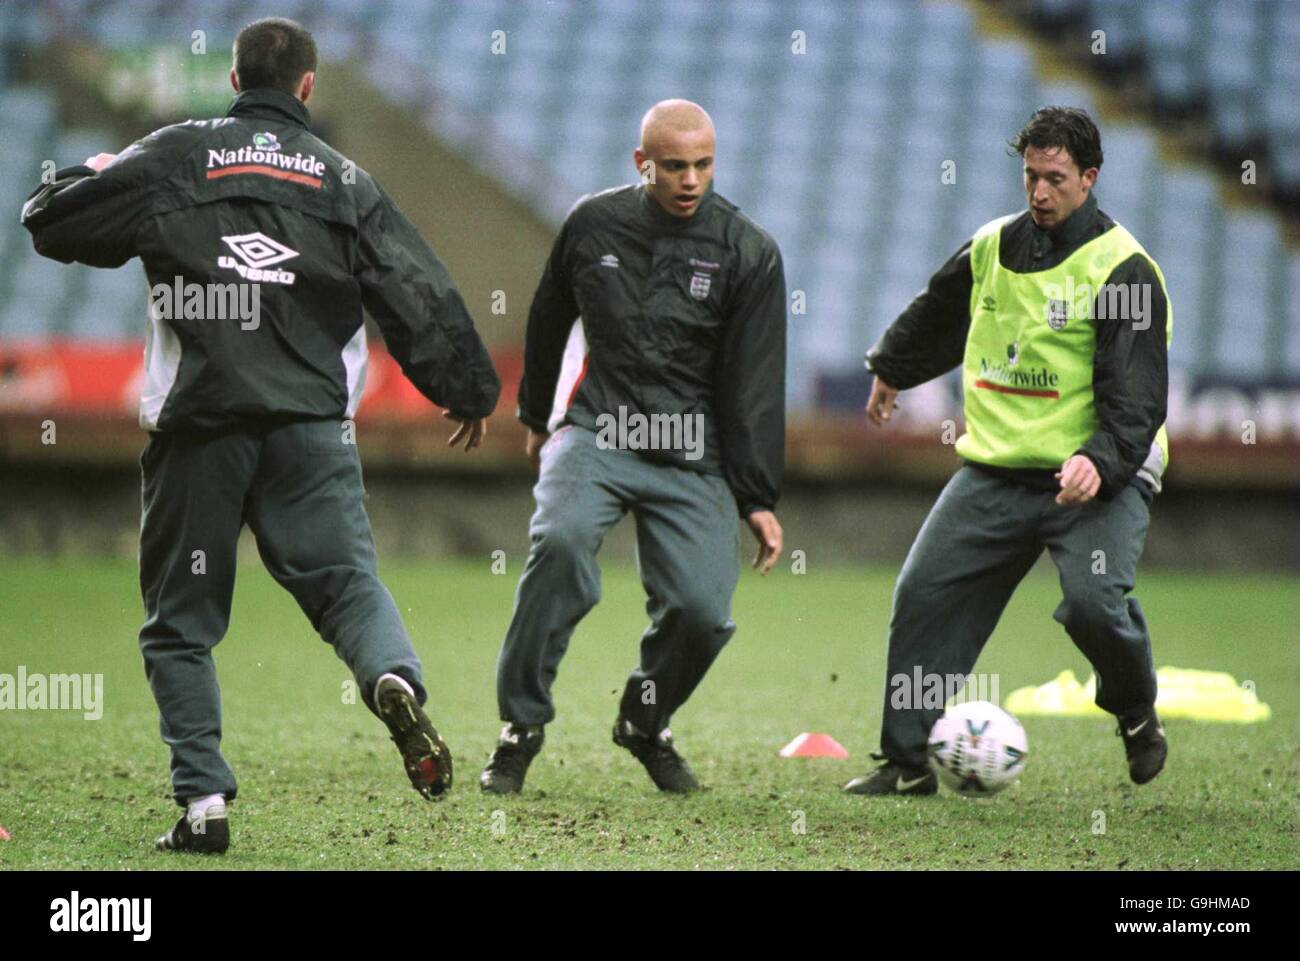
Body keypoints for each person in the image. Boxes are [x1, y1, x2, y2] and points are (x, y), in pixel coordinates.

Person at [21, 18, 500, 852]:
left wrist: (78, 178)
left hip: (201, 426)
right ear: (308, 88)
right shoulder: (347, 181)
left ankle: (204, 805)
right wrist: (466, 386)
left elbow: (57, 225)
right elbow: (413, 286)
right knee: (348, 584)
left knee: (180, 621)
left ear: (235, 81)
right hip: (309, 428)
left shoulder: (176, 152)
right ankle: (390, 675)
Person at [845, 106, 1171, 796]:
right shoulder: (992, 244)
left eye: (1055, 178)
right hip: (998, 468)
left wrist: (1100, 459)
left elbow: (1137, 397)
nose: (1040, 193)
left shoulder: (1125, 271)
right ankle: (906, 763)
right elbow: (940, 309)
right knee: (924, 594)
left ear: (1090, 178)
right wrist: (893, 365)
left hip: (1096, 474)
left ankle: (1135, 709)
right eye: (1030, 176)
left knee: (1092, 602)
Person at [479, 99, 787, 794]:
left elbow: (755, 382)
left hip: (692, 450)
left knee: (703, 612)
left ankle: (644, 722)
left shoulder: (749, 252)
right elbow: (548, 314)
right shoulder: (592, 224)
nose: (690, 180)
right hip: (598, 428)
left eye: (704, 165)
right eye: (674, 166)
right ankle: (519, 728)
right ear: (641, 162)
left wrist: (757, 496)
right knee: (558, 543)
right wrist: (535, 412)